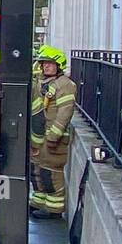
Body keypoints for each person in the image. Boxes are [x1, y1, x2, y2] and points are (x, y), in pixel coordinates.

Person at [29, 44, 76, 219]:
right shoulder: (40, 81)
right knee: (37, 171)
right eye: (43, 63)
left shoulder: (65, 85)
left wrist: (54, 136)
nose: (46, 66)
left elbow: (65, 112)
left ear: (59, 65)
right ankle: (38, 203)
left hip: (53, 139)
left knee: (51, 173)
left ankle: (54, 210)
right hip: (39, 136)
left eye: (50, 63)